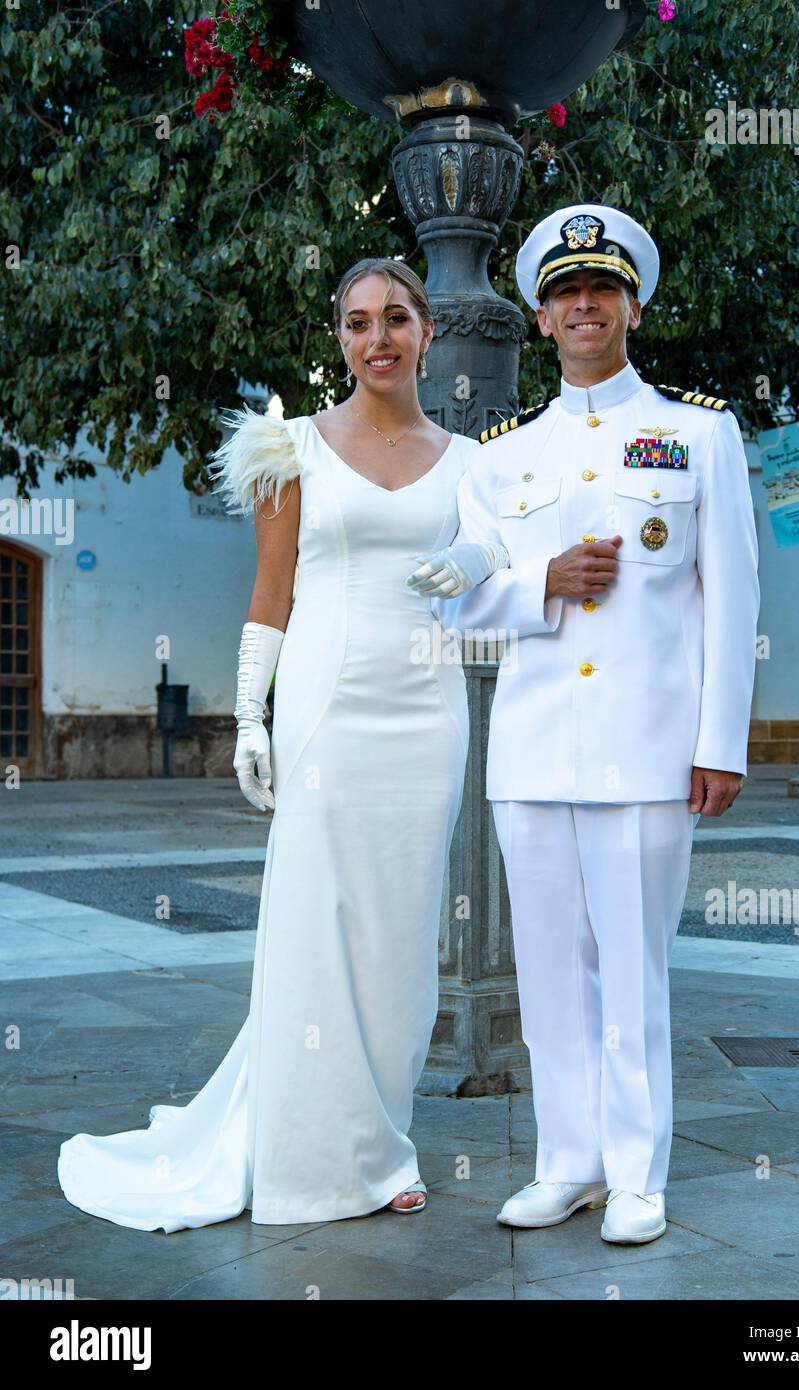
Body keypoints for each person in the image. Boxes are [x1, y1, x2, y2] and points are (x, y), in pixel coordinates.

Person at [56, 258, 507, 1231]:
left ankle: (382, 1146)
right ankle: (309, 1162)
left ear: (427, 332)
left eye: (395, 317)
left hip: (428, 716)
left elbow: (502, 551)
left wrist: (475, 553)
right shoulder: (289, 446)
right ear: (339, 338)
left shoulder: (471, 462)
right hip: (326, 711)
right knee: (318, 924)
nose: (376, 337)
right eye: (356, 322)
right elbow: (270, 593)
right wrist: (249, 718)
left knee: (400, 938)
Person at [409, 203, 760, 1244]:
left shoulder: (700, 434)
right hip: (532, 749)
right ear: (540, 311)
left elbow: (731, 597)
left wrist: (720, 743)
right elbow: (452, 599)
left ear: (632, 304)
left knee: (633, 968)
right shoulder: (500, 459)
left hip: (652, 750)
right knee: (551, 971)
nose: (583, 304)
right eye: (565, 292)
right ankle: (568, 1161)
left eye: (600, 288)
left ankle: (637, 1170)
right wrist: (538, 583)